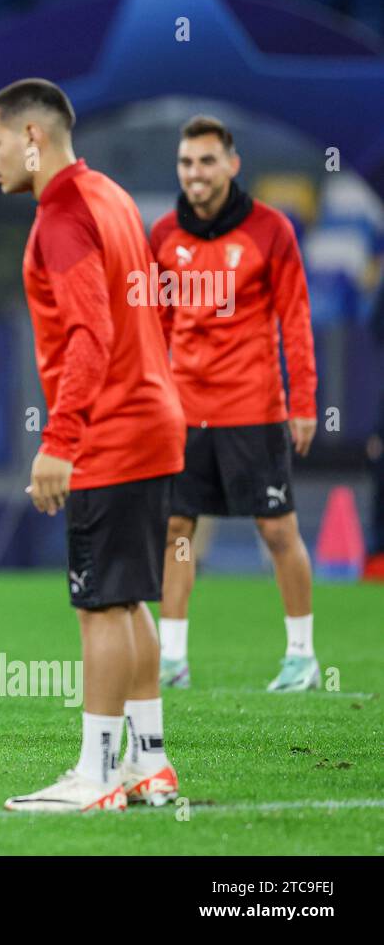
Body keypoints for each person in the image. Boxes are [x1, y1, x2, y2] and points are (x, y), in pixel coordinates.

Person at [0, 79, 185, 812]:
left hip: (110, 430)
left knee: (99, 606)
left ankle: (96, 776)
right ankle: (150, 764)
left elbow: (91, 337)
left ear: (32, 137)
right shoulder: (114, 196)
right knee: (127, 601)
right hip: (153, 418)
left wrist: (59, 439)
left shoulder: (63, 215)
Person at [151, 116, 320, 692]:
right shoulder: (163, 236)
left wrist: (304, 401)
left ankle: (302, 655)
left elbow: (296, 319)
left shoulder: (271, 230)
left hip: (253, 406)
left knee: (276, 528)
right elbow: (155, 325)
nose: (194, 173)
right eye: (185, 163)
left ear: (231, 164)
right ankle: (171, 657)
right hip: (183, 408)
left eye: (205, 161)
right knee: (176, 526)